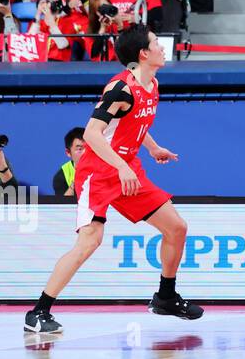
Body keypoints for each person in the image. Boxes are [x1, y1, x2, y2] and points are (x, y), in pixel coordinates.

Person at [26, 25, 201, 334]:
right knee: (89, 241)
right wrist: (121, 166)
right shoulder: (119, 89)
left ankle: (165, 296)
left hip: (127, 168)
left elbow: (136, 123)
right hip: (100, 171)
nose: (162, 47)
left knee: (177, 227)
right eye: (156, 43)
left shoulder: (153, 84)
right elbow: (92, 133)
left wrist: (153, 147)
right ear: (143, 54)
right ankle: (39, 312)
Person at [52, 127, 86, 196]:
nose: (85, 152)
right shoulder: (61, 176)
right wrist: (75, 183)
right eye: (80, 149)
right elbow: (62, 205)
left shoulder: (104, 169)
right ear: (68, 152)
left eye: (88, 148)